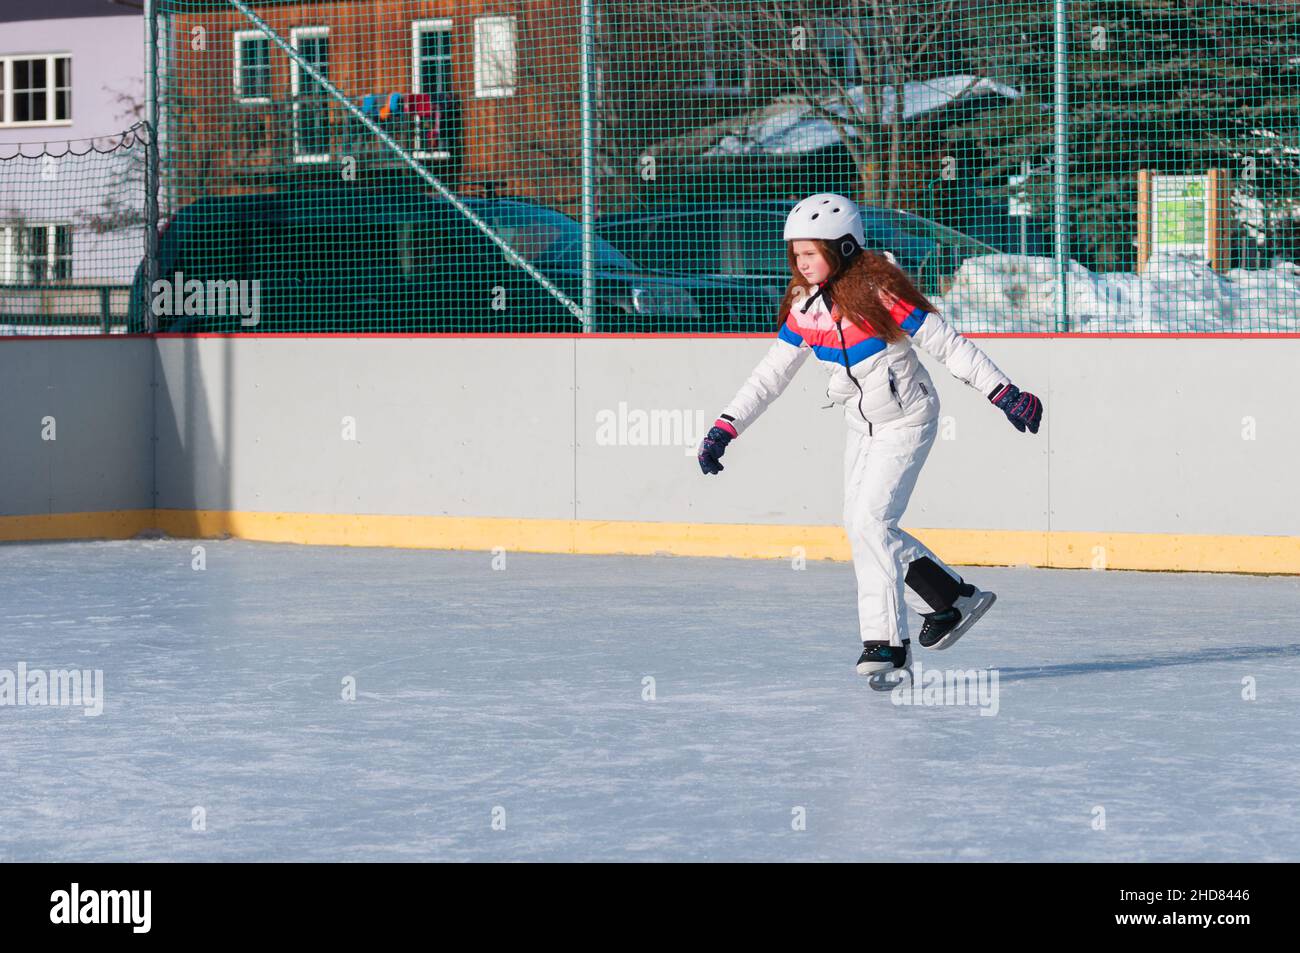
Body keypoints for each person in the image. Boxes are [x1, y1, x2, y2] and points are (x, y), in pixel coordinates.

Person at [697, 193, 1043, 681]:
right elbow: (771, 373)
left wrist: (1003, 391)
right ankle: (949, 599)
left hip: (908, 419)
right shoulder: (806, 306)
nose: (801, 263)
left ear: (842, 248)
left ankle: (887, 644)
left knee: (871, 522)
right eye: (796, 254)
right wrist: (726, 425)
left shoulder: (883, 293)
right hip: (862, 425)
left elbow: (948, 345)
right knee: (862, 528)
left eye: (810, 253)